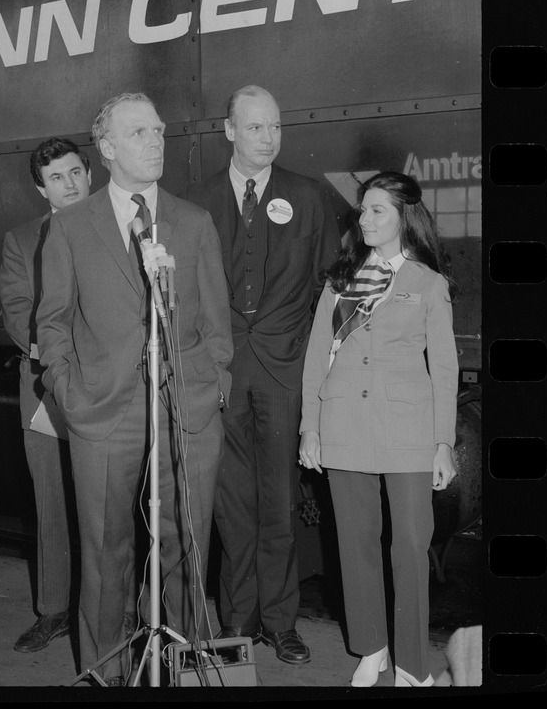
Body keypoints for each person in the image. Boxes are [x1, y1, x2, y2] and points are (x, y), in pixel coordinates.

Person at [36, 92, 233, 686]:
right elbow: (53, 323)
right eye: (140, 132)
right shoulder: (70, 226)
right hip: (103, 413)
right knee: (104, 553)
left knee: (189, 549)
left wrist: (211, 387)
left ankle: (191, 668)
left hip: (187, 410)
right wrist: (69, 393)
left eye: (159, 130)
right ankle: (104, 673)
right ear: (108, 148)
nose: (155, 141)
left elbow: (217, 325)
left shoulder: (192, 221)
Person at [182, 85, 340, 665]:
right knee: (232, 507)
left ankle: (281, 622)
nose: (268, 138)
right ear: (228, 131)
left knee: (279, 504)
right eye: (255, 127)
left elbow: (330, 285)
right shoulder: (194, 203)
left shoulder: (308, 195)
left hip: (282, 372)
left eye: (275, 127)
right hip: (220, 373)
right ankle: (238, 623)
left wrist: (308, 356)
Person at [299, 171, 459, 687]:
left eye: (377, 211)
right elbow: (315, 361)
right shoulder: (339, 281)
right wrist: (311, 427)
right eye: (362, 211)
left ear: (402, 217)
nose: (364, 220)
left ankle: (413, 664)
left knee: (411, 546)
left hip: (408, 432)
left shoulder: (428, 283)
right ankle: (372, 648)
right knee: (355, 544)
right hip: (343, 424)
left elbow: (446, 367)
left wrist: (443, 443)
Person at [0, 136, 92, 652]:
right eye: (56, 177)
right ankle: (54, 611)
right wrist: (65, 363)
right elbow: (17, 315)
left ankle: (114, 610)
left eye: (76, 172)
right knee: (51, 501)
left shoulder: (124, 230)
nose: (69, 183)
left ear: (91, 174)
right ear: (41, 188)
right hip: (44, 385)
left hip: (112, 389)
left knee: (110, 503)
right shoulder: (20, 240)